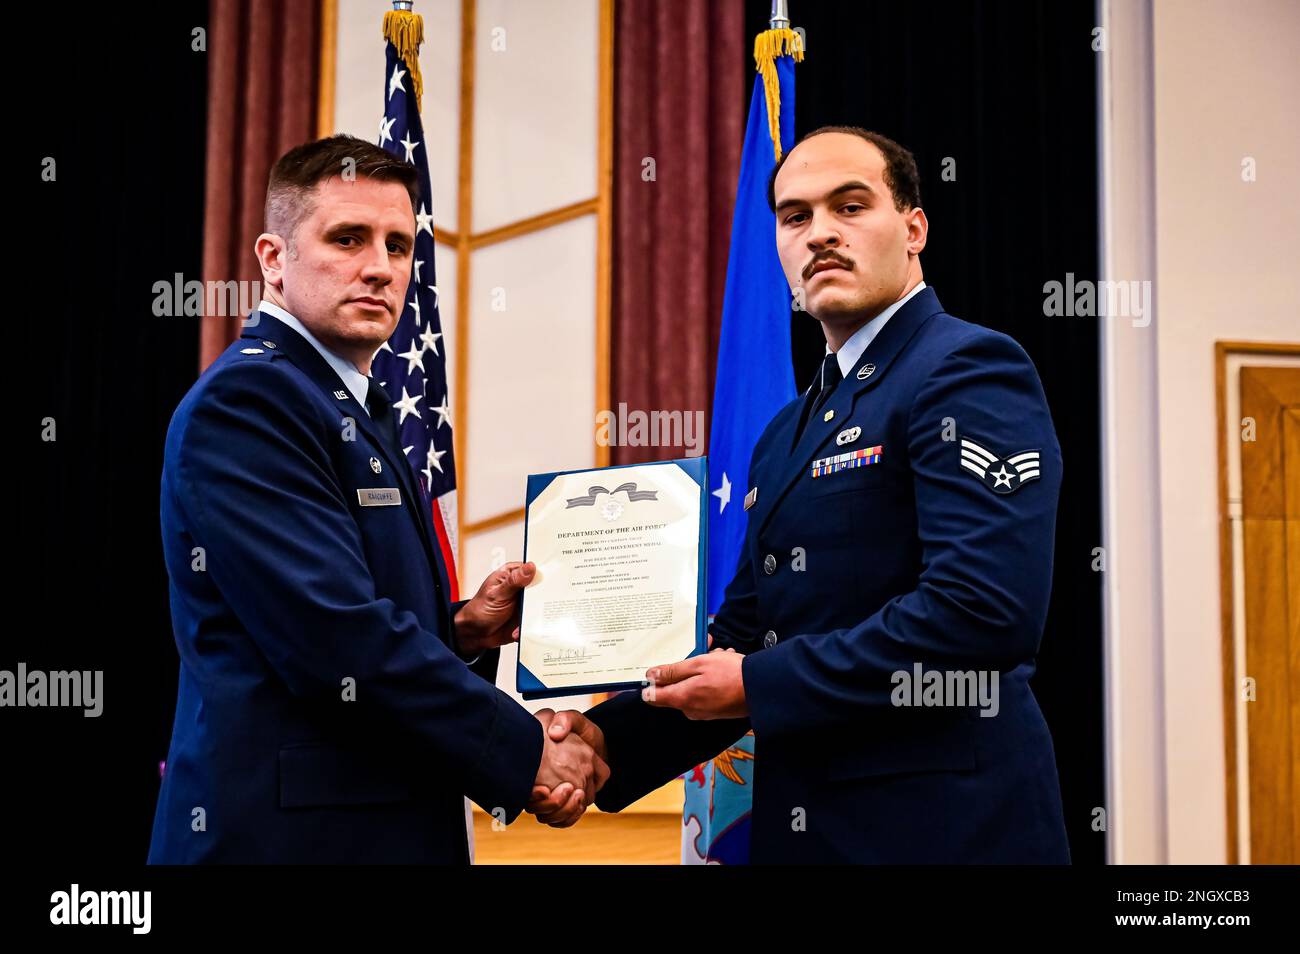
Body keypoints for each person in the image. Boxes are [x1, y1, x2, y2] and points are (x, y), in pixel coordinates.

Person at [530, 127, 1070, 863]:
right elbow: (749, 636)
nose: (821, 234)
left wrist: (754, 680)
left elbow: (983, 615)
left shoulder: (968, 369)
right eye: (796, 217)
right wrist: (605, 739)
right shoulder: (785, 431)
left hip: (943, 828)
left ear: (913, 229)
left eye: (850, 207)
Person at [148, 135, 606, 864]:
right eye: (347, 238)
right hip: (291, 843)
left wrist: (462, 631)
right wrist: (526, 753)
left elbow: (344, 612)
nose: (380, 268)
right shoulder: (250, 401)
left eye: (399, 246)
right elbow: (334, 639)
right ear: (273, 259)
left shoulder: (351, 403)